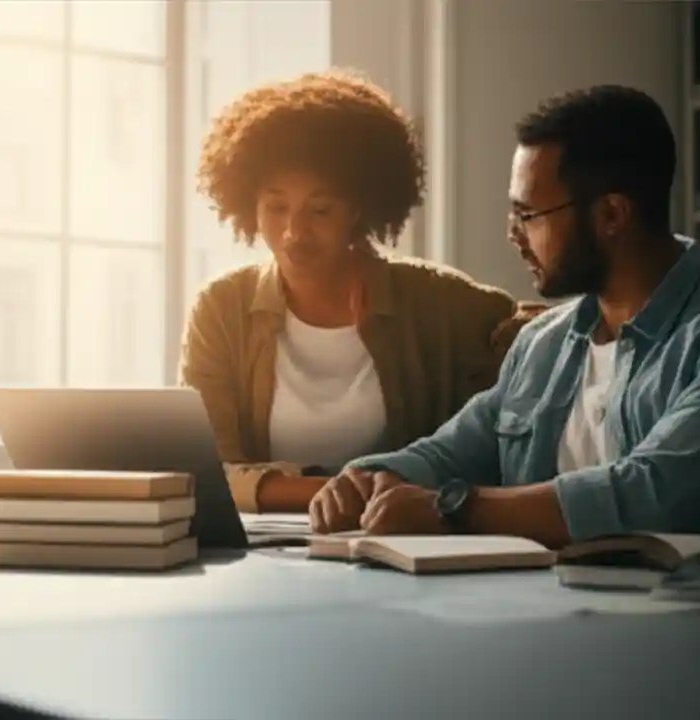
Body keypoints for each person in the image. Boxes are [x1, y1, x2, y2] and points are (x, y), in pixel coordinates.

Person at [310, 85, 700, 558]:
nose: (512, 234)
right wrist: (367, 478)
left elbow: (654, 495)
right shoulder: (543, 343)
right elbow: (453, 450)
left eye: (529, 215)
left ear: (612, 215)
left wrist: (452, 509)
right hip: (579, 627)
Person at [180, 70, 539, 514]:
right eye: (276, 208)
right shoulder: (222, 309)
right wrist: (341, 497)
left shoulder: (450, 307)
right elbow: (209, 471)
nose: (295, 232)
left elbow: (512, 430)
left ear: (358, 206)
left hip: (405, 551)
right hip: (268, 557)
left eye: (320, 209)